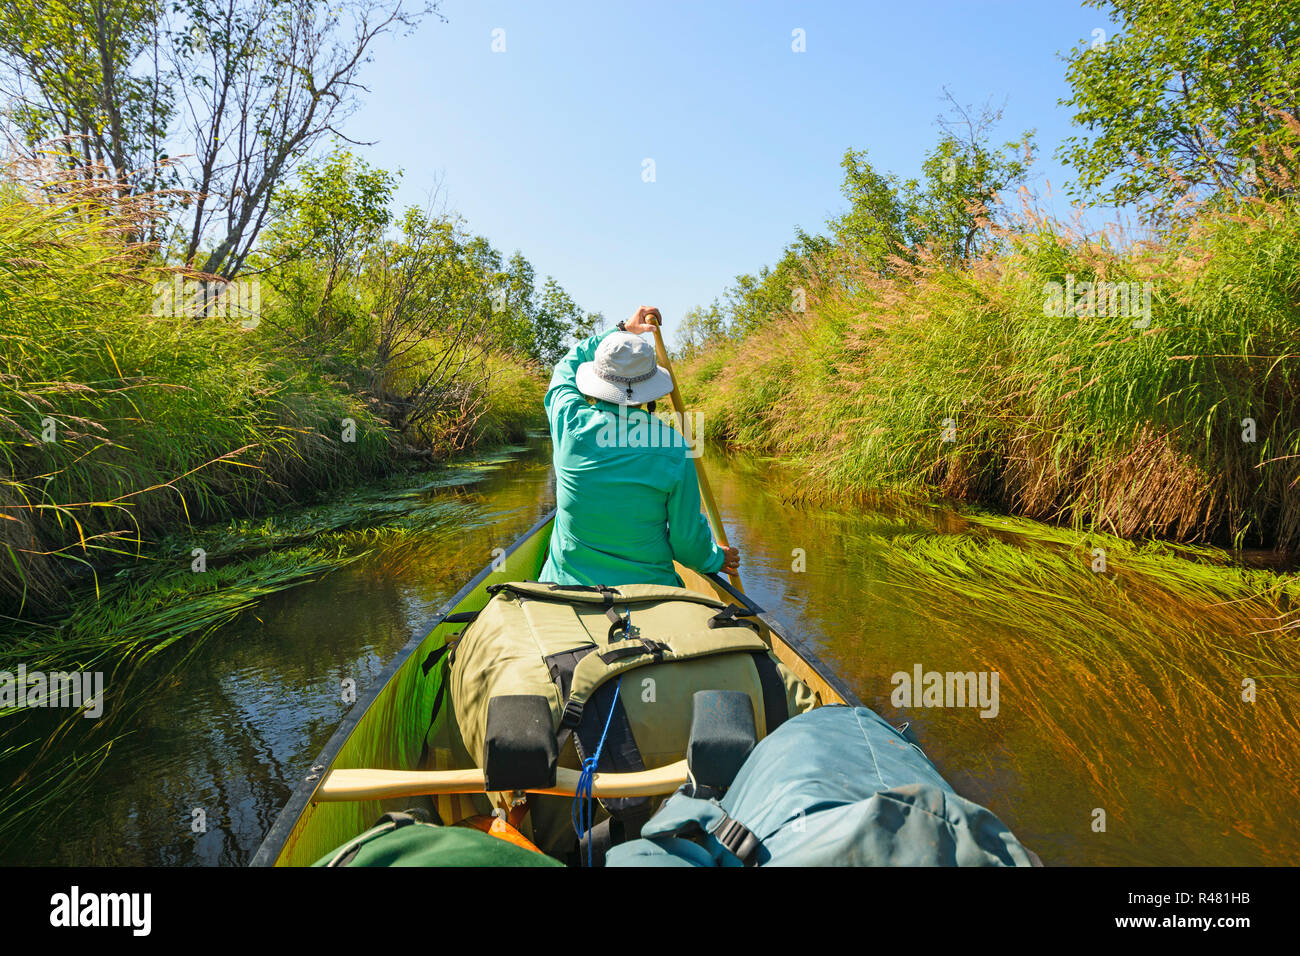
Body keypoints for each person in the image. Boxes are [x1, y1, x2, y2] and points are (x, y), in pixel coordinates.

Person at [538, 306, 739, 586]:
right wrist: (716, 558)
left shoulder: (568, 422)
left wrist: (622, 330)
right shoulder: (673, 447)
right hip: (651, 590)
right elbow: (686, 545)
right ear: (650, 392)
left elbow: (565, 367)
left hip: (566, 587)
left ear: (596, 381)